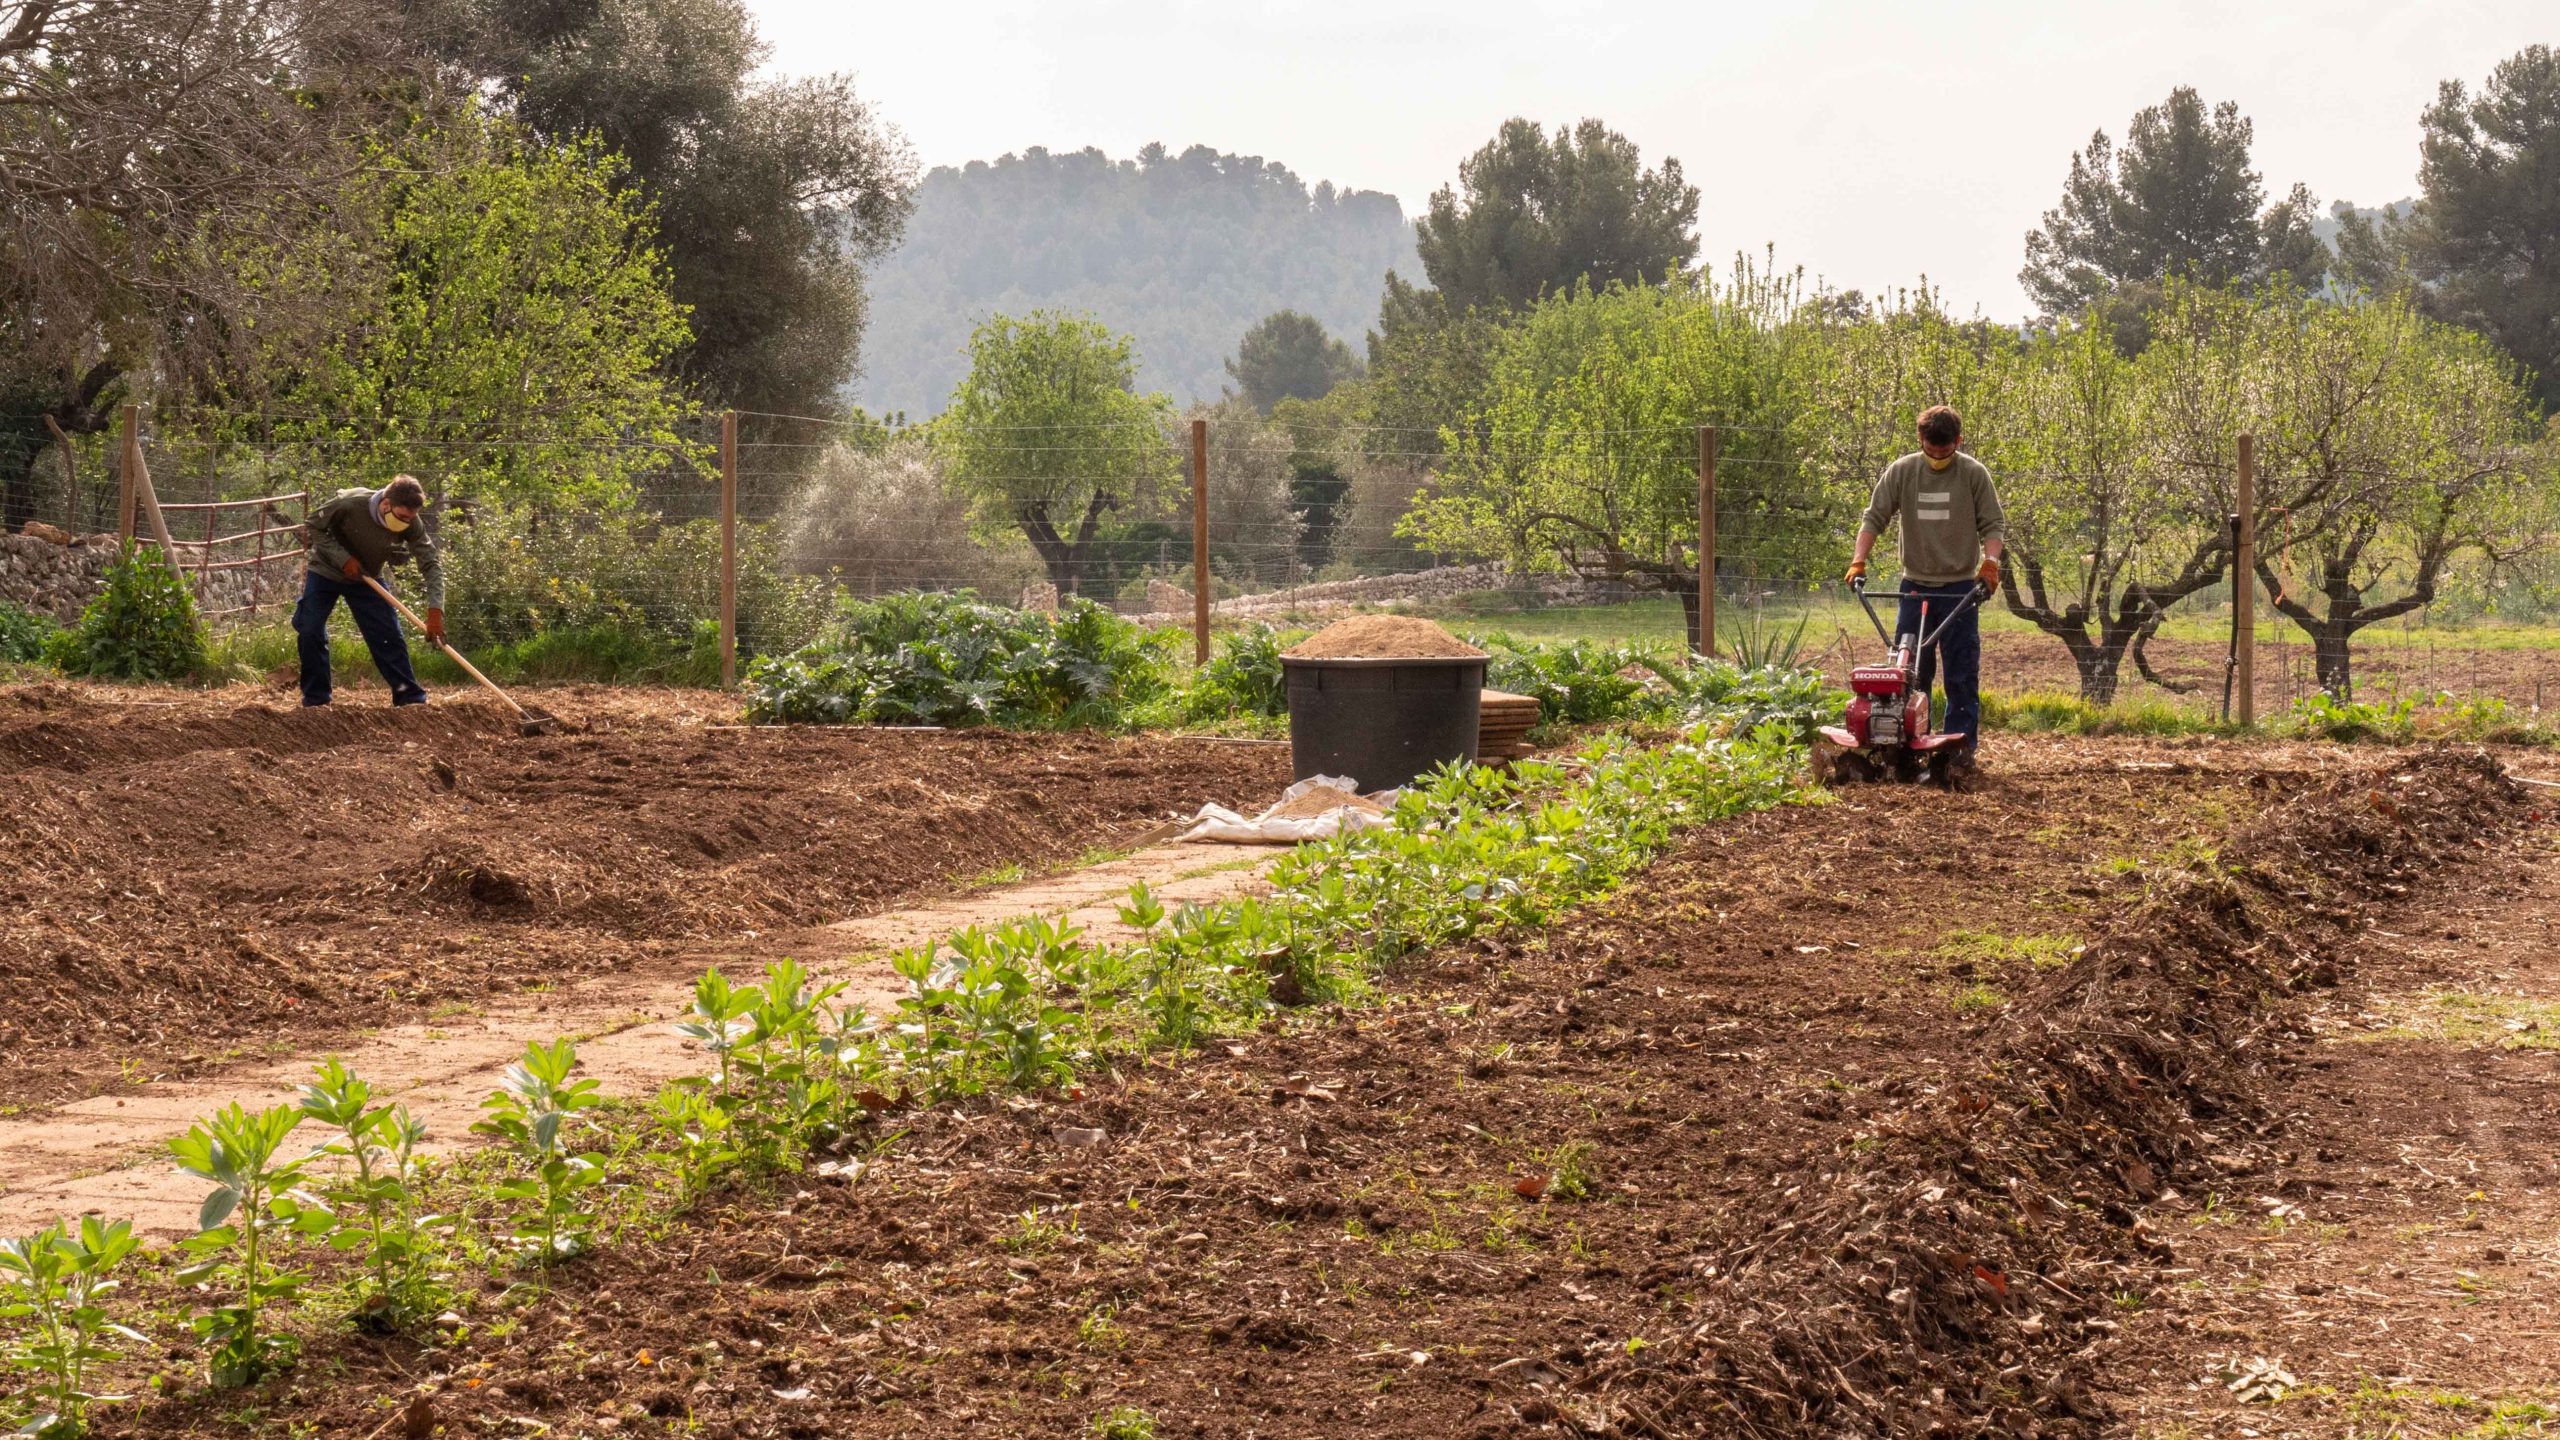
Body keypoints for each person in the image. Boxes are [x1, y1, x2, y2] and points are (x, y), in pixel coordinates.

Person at [1842, 405, 2004, 772]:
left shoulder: (1973, 474)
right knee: (1911, 673)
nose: (1937, 456)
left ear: (1958, 441)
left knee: (1962, 673)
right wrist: (1858, 561)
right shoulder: (1902, 471)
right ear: (1921, 440)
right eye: (1931, 449)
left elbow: (1993, 524)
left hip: (1960, 589)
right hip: (1914, 588)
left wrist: (1990, 565)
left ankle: (1960, 752)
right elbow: (1874, 517)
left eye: (1945, 450)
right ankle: (1910, 748)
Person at [295, 475, 444, 708]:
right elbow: (313, 523)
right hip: (326, 572)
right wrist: (342, 558)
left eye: (411, 518)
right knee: (309, 629)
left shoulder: (411, 523)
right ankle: (317, 700)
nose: (406, 522)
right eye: (402, 516)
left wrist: (435, 610)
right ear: (386, 504)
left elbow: (431, 564)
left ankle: (409, 698)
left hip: (367, 577)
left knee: (388, 636)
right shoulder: (349, 503)